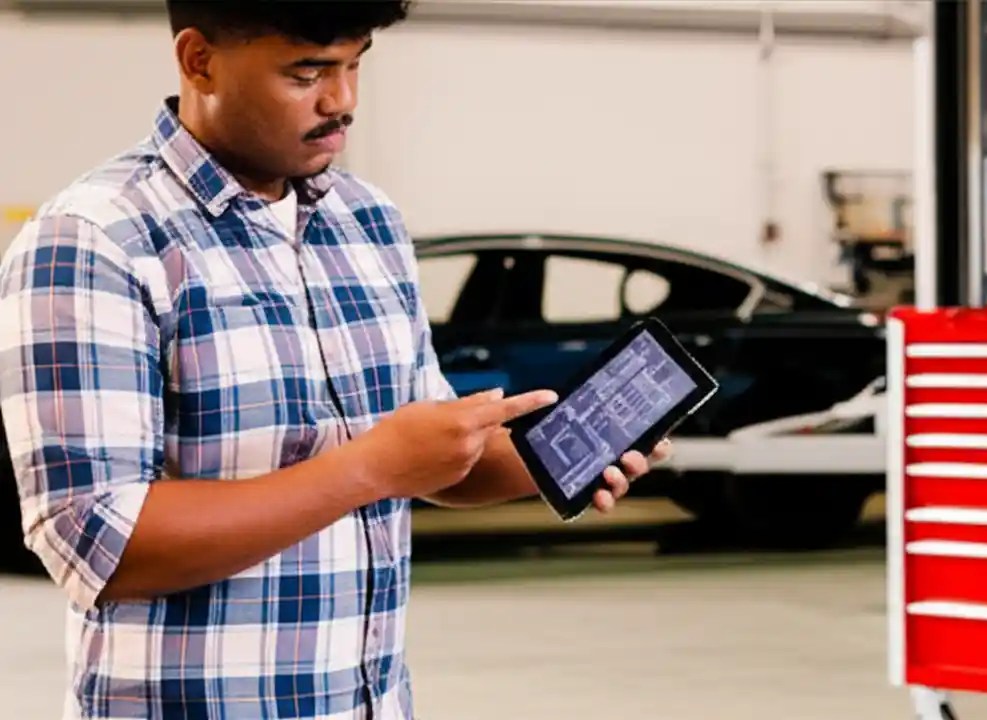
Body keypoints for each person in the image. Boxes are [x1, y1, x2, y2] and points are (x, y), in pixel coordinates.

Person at [0, 2, 672, 718]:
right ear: (199, 61)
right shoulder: (94, 238)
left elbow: (435, 459)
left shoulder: (366, 220)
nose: (342, 100)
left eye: (355, 64)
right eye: (307, 73)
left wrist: (562, 454)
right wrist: (370, 467)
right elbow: (97, 542)